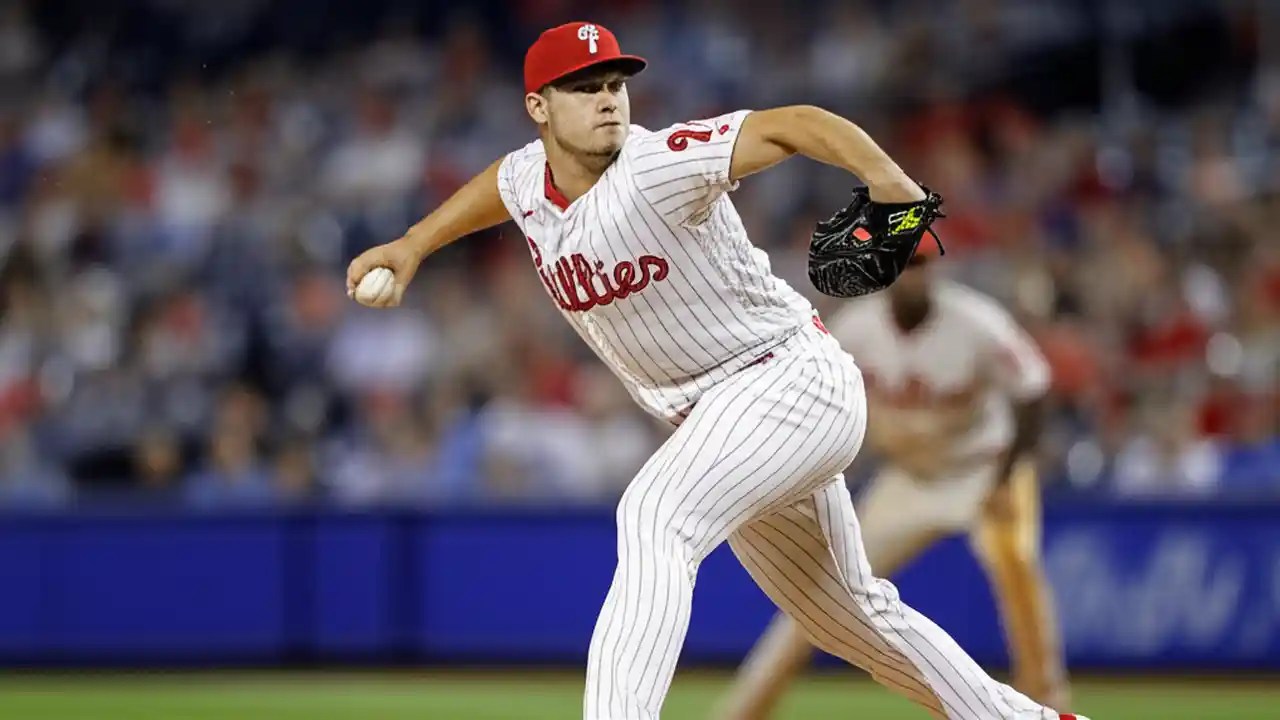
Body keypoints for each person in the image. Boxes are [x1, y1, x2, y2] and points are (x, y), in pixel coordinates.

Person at [347, 21, 1087, 720]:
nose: (607, 99)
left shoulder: (657, 165)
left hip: (788, 379)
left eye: (614, 83)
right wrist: (412, 245)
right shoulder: (527, 179)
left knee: (655, 515)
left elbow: (790, 124)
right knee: (851, 617)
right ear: (538, 108)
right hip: (728, 421)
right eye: (583, 87)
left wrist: (887, 177)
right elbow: (500, 186)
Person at [717, 244, 1073, 719]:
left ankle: (1046, 700)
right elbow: (813, 393)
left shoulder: (976, 322)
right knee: (825, 587)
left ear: (934, 269)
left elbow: (1033, 388)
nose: (910, 274)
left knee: (1017, 564)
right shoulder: (855, 328)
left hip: (982, 469)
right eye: (901, 264)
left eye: (919, 264)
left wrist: (1006, 477)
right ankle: (744, 711)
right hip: (908, 477)